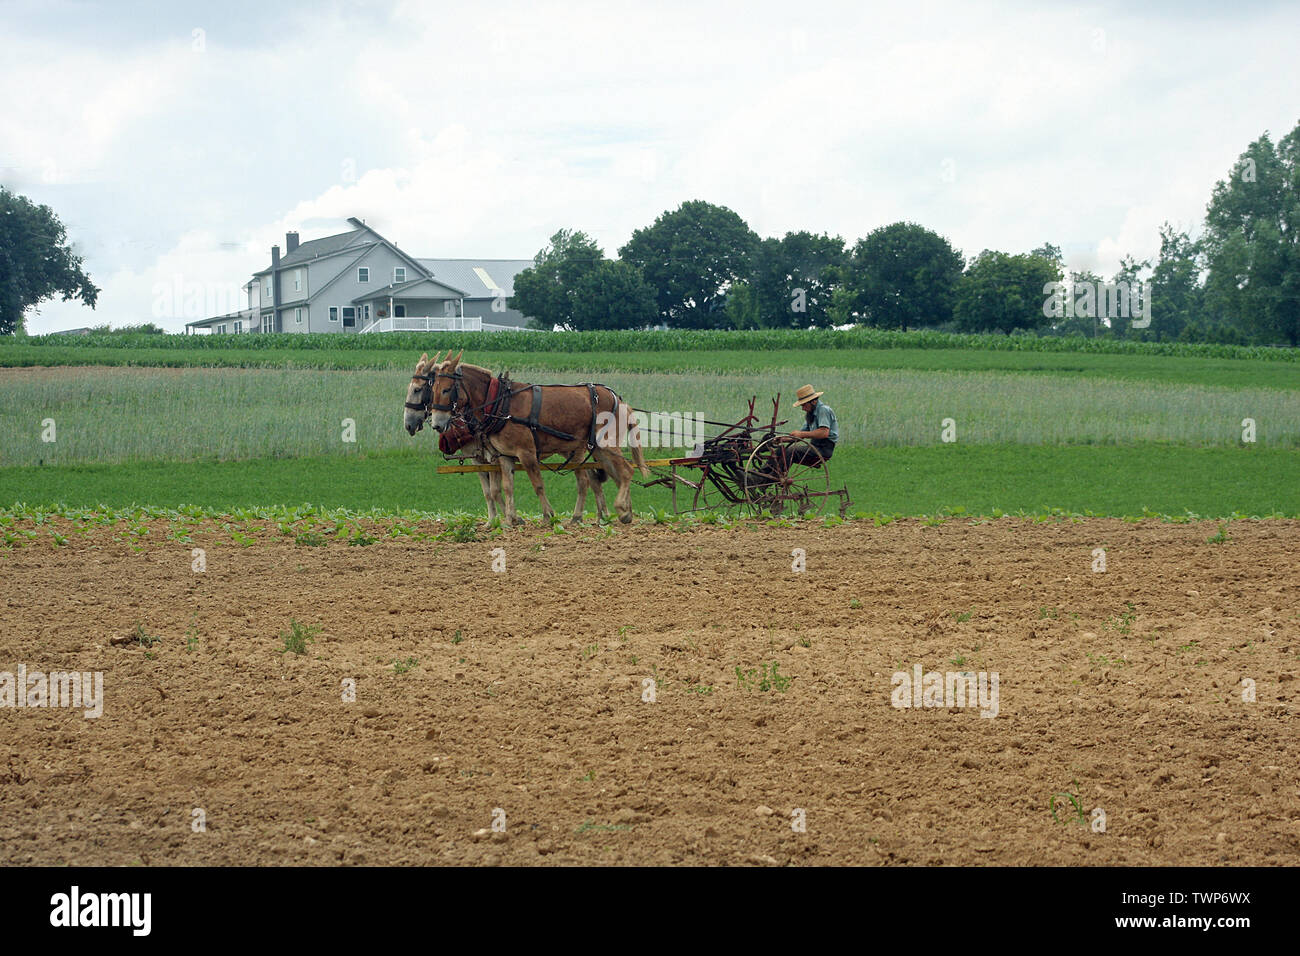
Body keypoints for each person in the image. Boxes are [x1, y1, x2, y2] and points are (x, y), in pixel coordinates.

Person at [783, 384, 838, 467]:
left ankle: (776, 476)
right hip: (814, 447)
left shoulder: (823, 410)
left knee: (790, 451)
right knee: (781, 451)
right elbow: (801, 435)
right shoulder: (810, 414)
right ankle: (764, 475)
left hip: (823, 450)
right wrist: (781, 439)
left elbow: (824, 432)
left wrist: (801, 434)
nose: (803, 408)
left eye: (804, 405)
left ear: (813, 401)